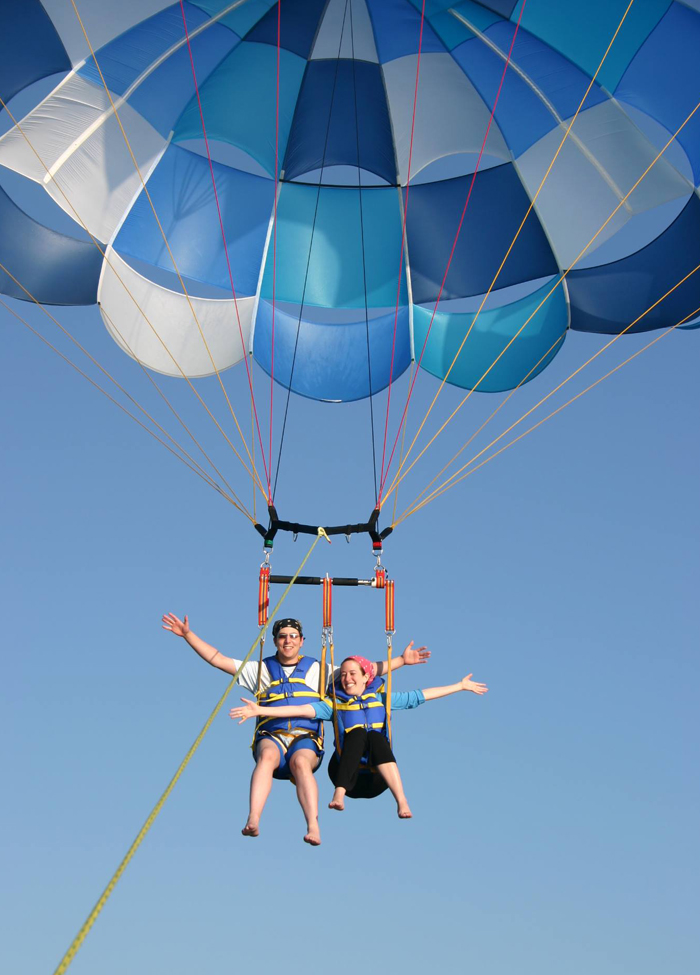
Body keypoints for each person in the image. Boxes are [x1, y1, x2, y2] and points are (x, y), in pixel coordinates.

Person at [162, 613, 430, 845]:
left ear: (301, 641)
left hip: (306, 739)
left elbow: (365, 671)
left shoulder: (318, 669)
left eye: (293, 636)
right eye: (282, 636)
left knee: (301, 763)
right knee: (267, 757)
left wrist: (402, 661)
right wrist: (188, 635)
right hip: (272, 736)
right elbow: (218, 659)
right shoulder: (261, 670)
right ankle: (253, 818)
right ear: (276, 640)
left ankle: (313, 825)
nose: (287, 640)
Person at [230, 654, 488, 819]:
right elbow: (299, 709)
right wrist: (260, 710)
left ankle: (401, 800)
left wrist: (460, 686)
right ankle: (338, 795)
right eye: (343, 674)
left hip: (376, 780)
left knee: (375, 737)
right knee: (356, 734)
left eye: (353, 673)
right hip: (343, 773)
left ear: (367, 678)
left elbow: (420, 695)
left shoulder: (382, 700)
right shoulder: (333, 704)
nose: (347, 677)